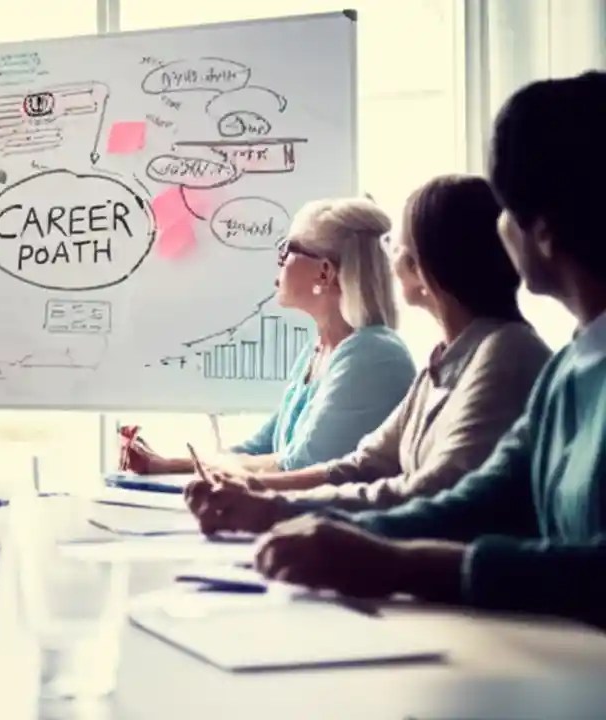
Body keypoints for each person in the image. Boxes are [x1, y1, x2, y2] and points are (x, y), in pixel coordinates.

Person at [253, 72, 606, 627]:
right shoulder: (568, 366)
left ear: (544, 231)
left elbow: (586, 566)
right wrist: (283, 513)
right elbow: (479, 500)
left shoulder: (512, 354)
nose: (500, 231)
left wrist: (399, 564)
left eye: (507, 212)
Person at [186, 175, 551, 534]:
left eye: (396, 243)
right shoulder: (446, 359)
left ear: (423, 266)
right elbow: (364, 464)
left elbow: (432, 492)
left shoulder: (504, 354)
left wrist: (276, 508)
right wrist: (262, 492)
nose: (388, 255)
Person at [123, 197, 416, 474]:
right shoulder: (318, 351)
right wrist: (165, 464)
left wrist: (187, 467)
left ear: (324, 273)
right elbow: (258, 449)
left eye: (287, 249)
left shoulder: (372, 356)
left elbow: (296, 466)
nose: (279, 261)